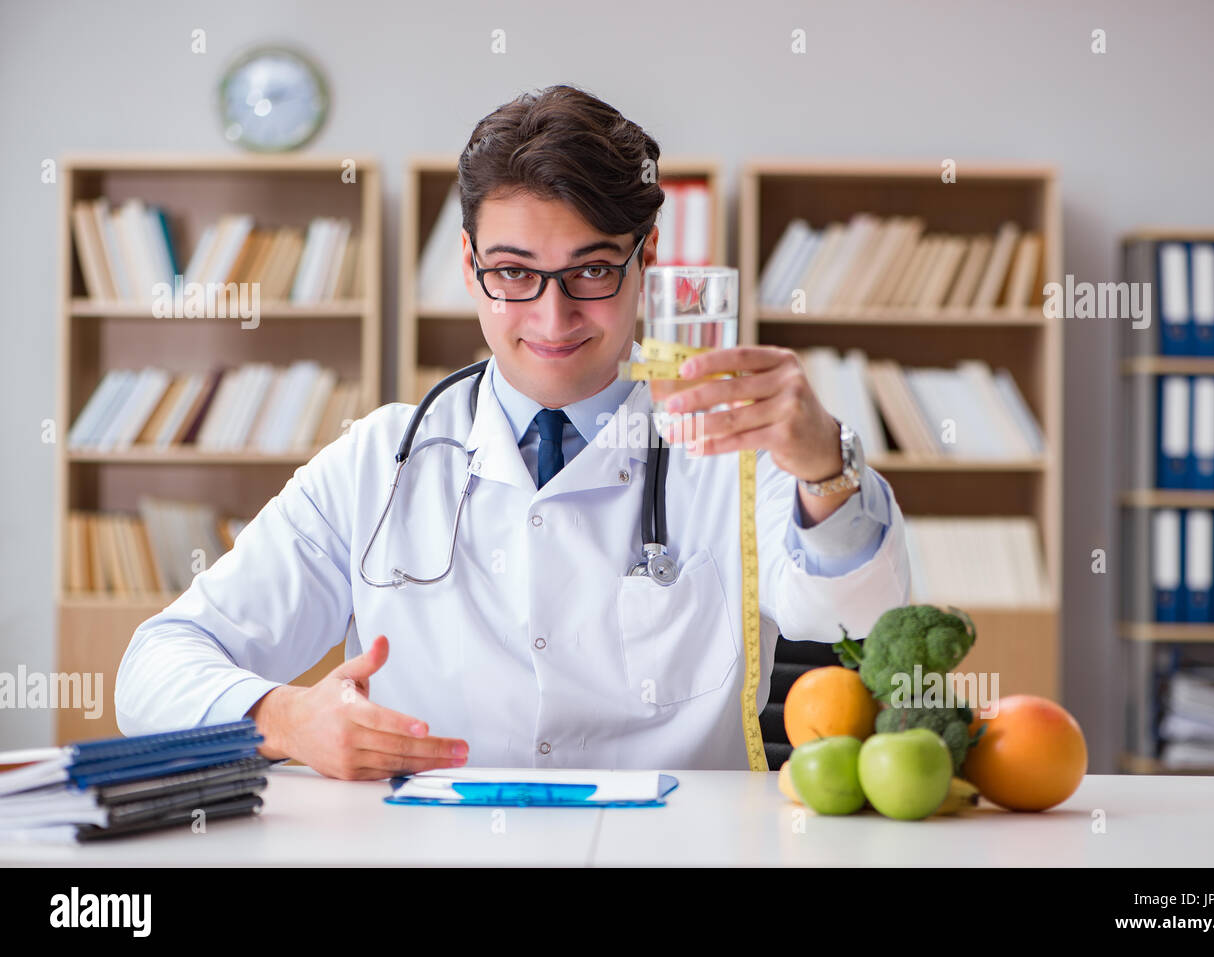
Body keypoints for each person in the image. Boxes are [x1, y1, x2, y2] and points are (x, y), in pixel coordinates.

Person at [115, 84, 909, 777]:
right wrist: (284, 720)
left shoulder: (739, 446)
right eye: (514, 272)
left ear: (647, 259)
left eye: (593, 270)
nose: (553, 315)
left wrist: (823, 471)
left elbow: (863, 626)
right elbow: (152, 669)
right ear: (468, 266)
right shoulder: (377, 460)